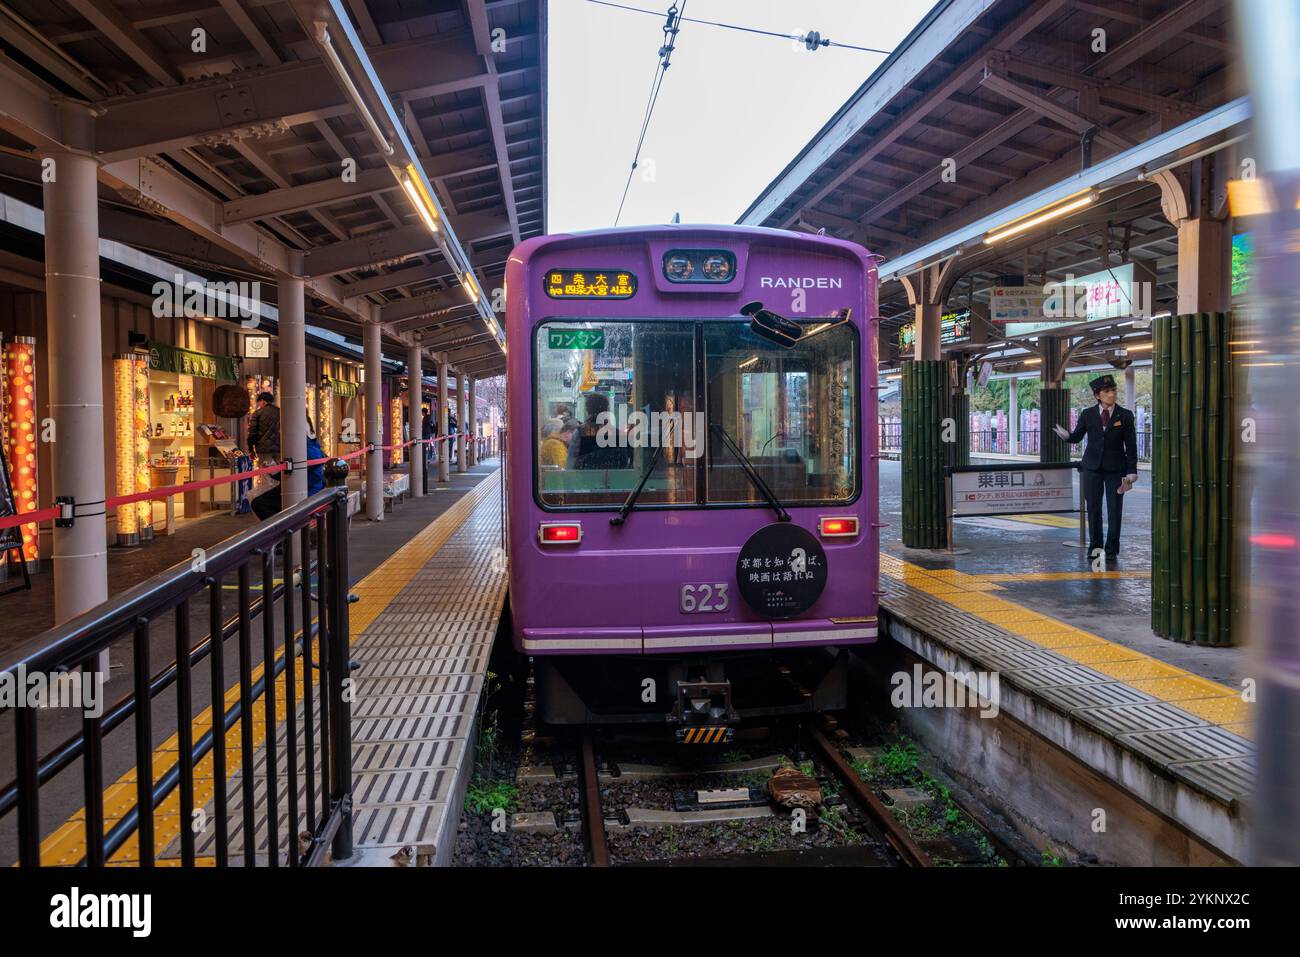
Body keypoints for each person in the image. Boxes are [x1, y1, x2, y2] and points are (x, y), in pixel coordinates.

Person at [1055, 374, 1139, 562]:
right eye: (1107, 391)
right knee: (1093, 508)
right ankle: (1095, 546)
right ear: (1097, 396)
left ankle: (1111, 549)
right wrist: (1067, 436)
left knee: (1114, 509)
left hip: (1116, 469)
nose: (1112, 394)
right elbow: (1077, 436)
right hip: (1092, 467)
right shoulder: (1088, 414)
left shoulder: (1125, 415)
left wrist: (1132, 470)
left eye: (1114, 390)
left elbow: (1131, 445)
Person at [251, 416, 326, 520]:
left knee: (259, 503)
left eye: (281, 430)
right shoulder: (305, 446)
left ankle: (282, 529)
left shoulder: (306, 449)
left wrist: (277, 471)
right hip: (305, 488)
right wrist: (276, 470)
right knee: (260, 502)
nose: (279, 433)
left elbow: (297, 478)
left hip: (306, 490)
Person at [247, 391, 281, 463]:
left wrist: (251, 449)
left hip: (263, 450)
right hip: (280, 449)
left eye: (258, 402)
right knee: (279, 472)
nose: (259, 404)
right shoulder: (280, 412)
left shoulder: (257, 413)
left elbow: (252, 433)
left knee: (265, 472)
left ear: (262, 401)